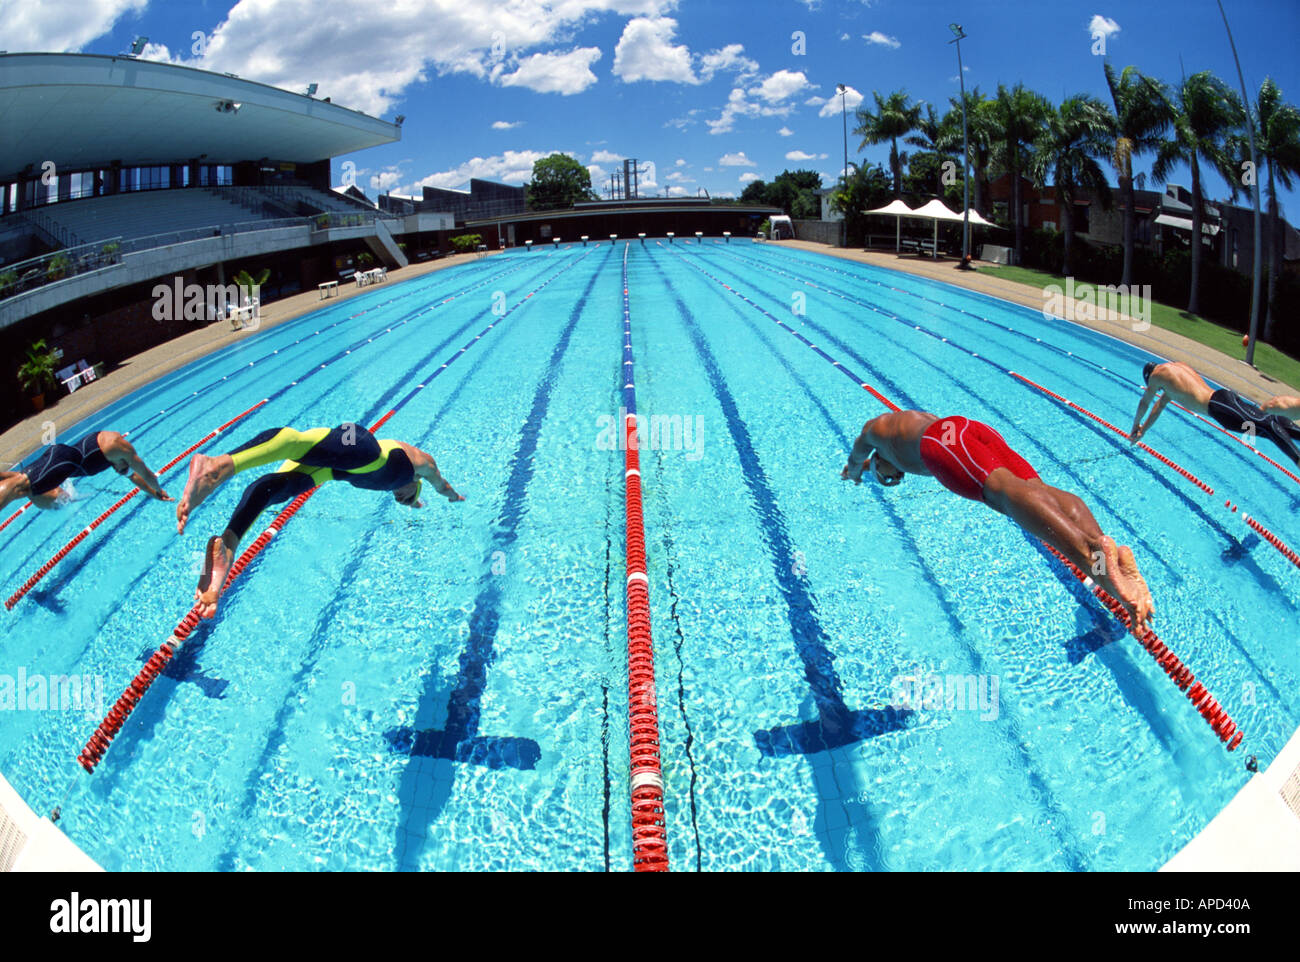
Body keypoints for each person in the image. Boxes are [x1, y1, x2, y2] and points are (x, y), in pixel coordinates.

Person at [842, 410, 1154, 635]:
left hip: (943, 442)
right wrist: (871, 469)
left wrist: (853, 471)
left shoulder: (874, 431)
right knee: (1038, 493)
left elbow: (857, 456)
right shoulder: (900, 431)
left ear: (878, 457)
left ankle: (1092, 562)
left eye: (889, 478)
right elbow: (875, 461)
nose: (897, 477)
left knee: (1002, 495)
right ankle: (1104, 553)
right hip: (969, 429)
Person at [176, 424, 464, 618]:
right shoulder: (419, 467)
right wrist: (451, 496)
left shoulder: (397, 488)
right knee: (295, 443)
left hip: (335, 471)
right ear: (416, 485)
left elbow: (407, 498)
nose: (402, 498)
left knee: (272, 489)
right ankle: (217, 466)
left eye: (403, 500)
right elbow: (441, 483)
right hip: (360, 443)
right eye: (407, 497)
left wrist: (413, 503)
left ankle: (227, 547)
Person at [1131, 360, 1300, 465]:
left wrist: (1135, 425)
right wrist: (1142, 430)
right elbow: (1158, 407)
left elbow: (1145, 402)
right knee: (1269, 422)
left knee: (1267, 425)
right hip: (1224, 398)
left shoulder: (1156, 376)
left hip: (1219, 407)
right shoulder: (1176, 368)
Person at [0, 430, 170, 511]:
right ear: (123, 462)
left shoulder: (114, 451)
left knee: (34, 491)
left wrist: (154, 494)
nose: (119, 472)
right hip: (64, 461)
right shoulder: (122, 450)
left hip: (61, 457)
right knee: (20, 486)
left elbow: (134, 477)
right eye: (121, 470)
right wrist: (158, 489)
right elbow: (146, 474)